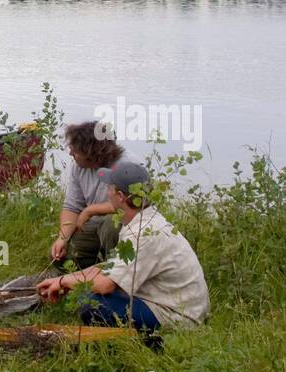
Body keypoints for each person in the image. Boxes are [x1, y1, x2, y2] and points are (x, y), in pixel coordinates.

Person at [36, 160, 210, 335]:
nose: (107, 191)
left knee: (90, 303)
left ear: (120, 196)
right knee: (85, 290)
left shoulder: (142, 234)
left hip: (178, 318)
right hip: (172, 304)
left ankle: (142, 342)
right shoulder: (142, 221)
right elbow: (110, 268)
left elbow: (105, 285)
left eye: (109, 188)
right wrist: (68, 279)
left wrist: (63, 282)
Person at [49, 120, 130, 269]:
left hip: (126, 227)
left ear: (92, 153)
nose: (70, 153)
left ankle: (117, 272)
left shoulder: (127, 165)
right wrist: (62, 239)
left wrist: (90, 210)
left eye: (75, 151)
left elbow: (131, 204)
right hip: (93, 228)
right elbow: (72, 207)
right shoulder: (78, 167)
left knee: (112, 224)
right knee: (61, 258)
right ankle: (93, 271)